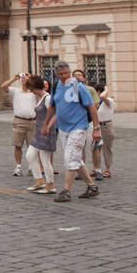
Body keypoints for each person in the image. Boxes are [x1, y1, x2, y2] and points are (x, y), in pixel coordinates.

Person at [42, 61, 101, 203]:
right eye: (61, 74)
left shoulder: (78, 87)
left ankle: (66, 190)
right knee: (76, 159)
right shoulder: (56, 87)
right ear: (56, 74)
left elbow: (92, 107)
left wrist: (97, 129)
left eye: (66, 73)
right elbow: (52, 107)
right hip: (63, 128)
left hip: (78, 127)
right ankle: (92, 187)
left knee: (69, 158)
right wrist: (46, 125)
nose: (64, 76)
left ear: (70, 72)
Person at [23, 76, 57, 194]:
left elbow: (55, 114)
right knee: (30, 155)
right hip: (38, 132)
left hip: (46, 132)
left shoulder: (47, 98)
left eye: (31, 88)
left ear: (35, 87)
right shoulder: (39, 97)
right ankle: (39, 180)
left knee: (45, 159)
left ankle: (50, 185)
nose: (30, 91)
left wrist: (47, 126)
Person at [0, 72, 37, 176]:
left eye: (26, 76)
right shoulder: (16, 91)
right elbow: (3, 86)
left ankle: (31, 166)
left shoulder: (34, 92)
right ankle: (18, 166)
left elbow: (43, 89)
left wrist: (31, 79)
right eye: (22, 77)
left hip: (32, 121)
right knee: (17, 145)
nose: (24, 78)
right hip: (19, 121)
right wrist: (14, 78)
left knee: (32, 146)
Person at [93, 83, 116, 179]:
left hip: (106, 126)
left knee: (106, 148)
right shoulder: (96, 102)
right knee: (95, 148)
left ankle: (108, 169)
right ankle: (96, 169)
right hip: (98, 126)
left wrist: (106, 89)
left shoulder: (109, 100)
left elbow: (102, 96)